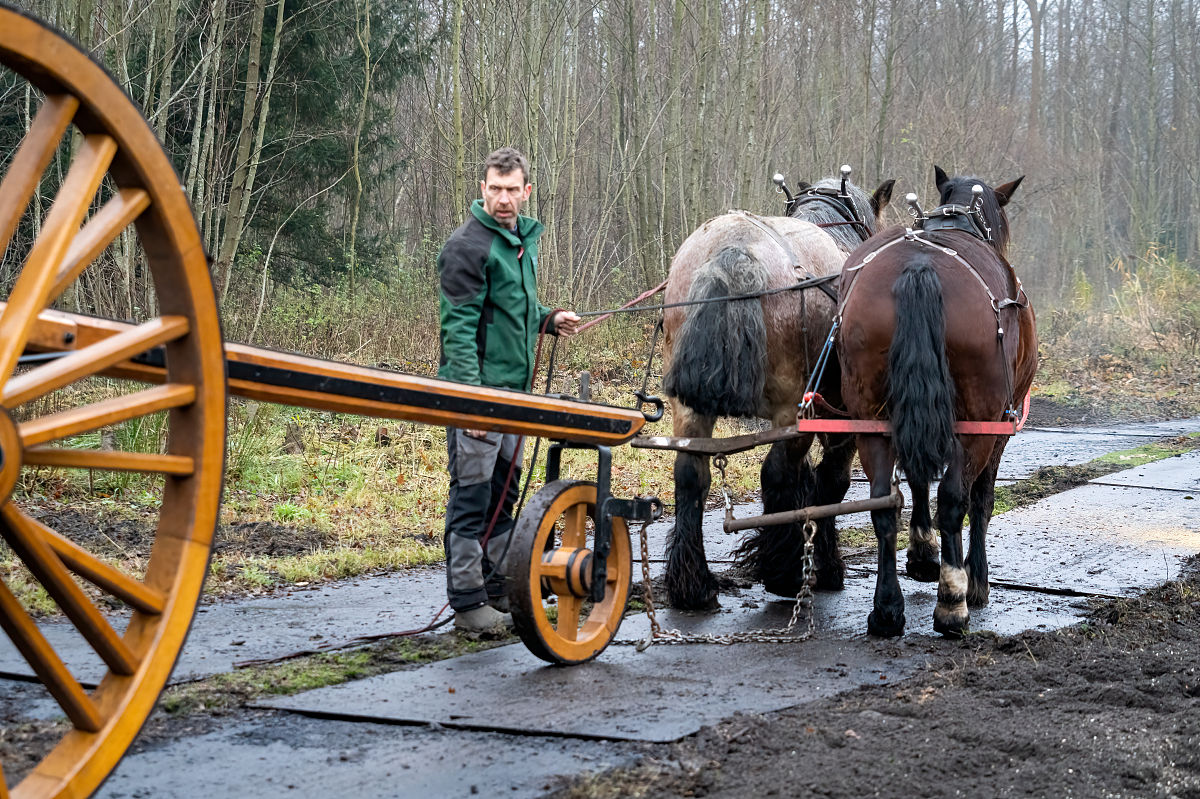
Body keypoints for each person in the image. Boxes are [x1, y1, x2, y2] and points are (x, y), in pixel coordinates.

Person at [437, 147, 580, 632]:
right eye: (494, 189)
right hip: (479, 395)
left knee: (505, 493)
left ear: (526, 191)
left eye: (511, 189)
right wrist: (470, 402)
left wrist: (548, 319)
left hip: (516, 395)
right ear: (482, 189)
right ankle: (467, 600)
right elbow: (458, 332)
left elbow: (511, 311)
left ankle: (498, 587)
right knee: (472, 498)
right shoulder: (467, 246)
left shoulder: (521, 241)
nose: (503, 198)